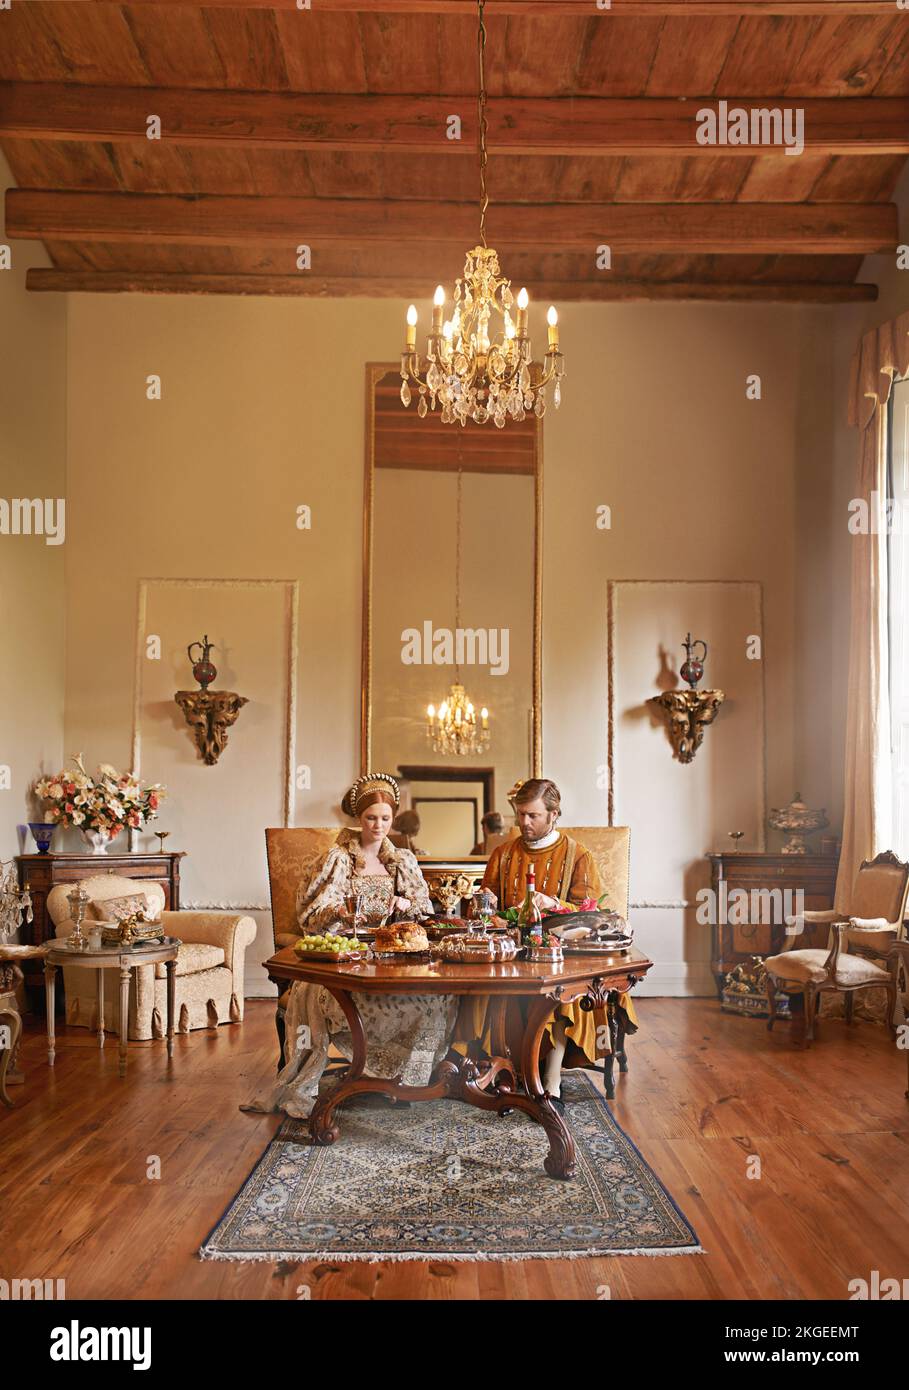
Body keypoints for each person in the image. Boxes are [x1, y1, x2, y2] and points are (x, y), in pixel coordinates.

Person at [244, 773, 457, 1119]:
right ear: (359, 819)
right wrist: (340, 910)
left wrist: (406, 907)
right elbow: (311, 916)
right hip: (350, 954)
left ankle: (409, 1080)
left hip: (393, 955)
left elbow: (423, 912)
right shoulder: (338, 859)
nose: (378, 826)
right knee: (334, 997)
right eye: (371, 818)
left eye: (385, 819)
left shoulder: (402, 861)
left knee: (436, 994)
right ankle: (365, 1075)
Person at [479, 777, 638, 1102]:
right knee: (479, 987)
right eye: (520, 814)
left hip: (563, 953)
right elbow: (486, 904)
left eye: (533, 816)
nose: (524, 822)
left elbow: (593, 913)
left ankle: (550, 1075)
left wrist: (553, 904)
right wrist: (486, 908)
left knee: (565, 988)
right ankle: (503, 1065)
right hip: (512, 954)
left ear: (554, 815)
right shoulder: (502, 854)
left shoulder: (577, 856)